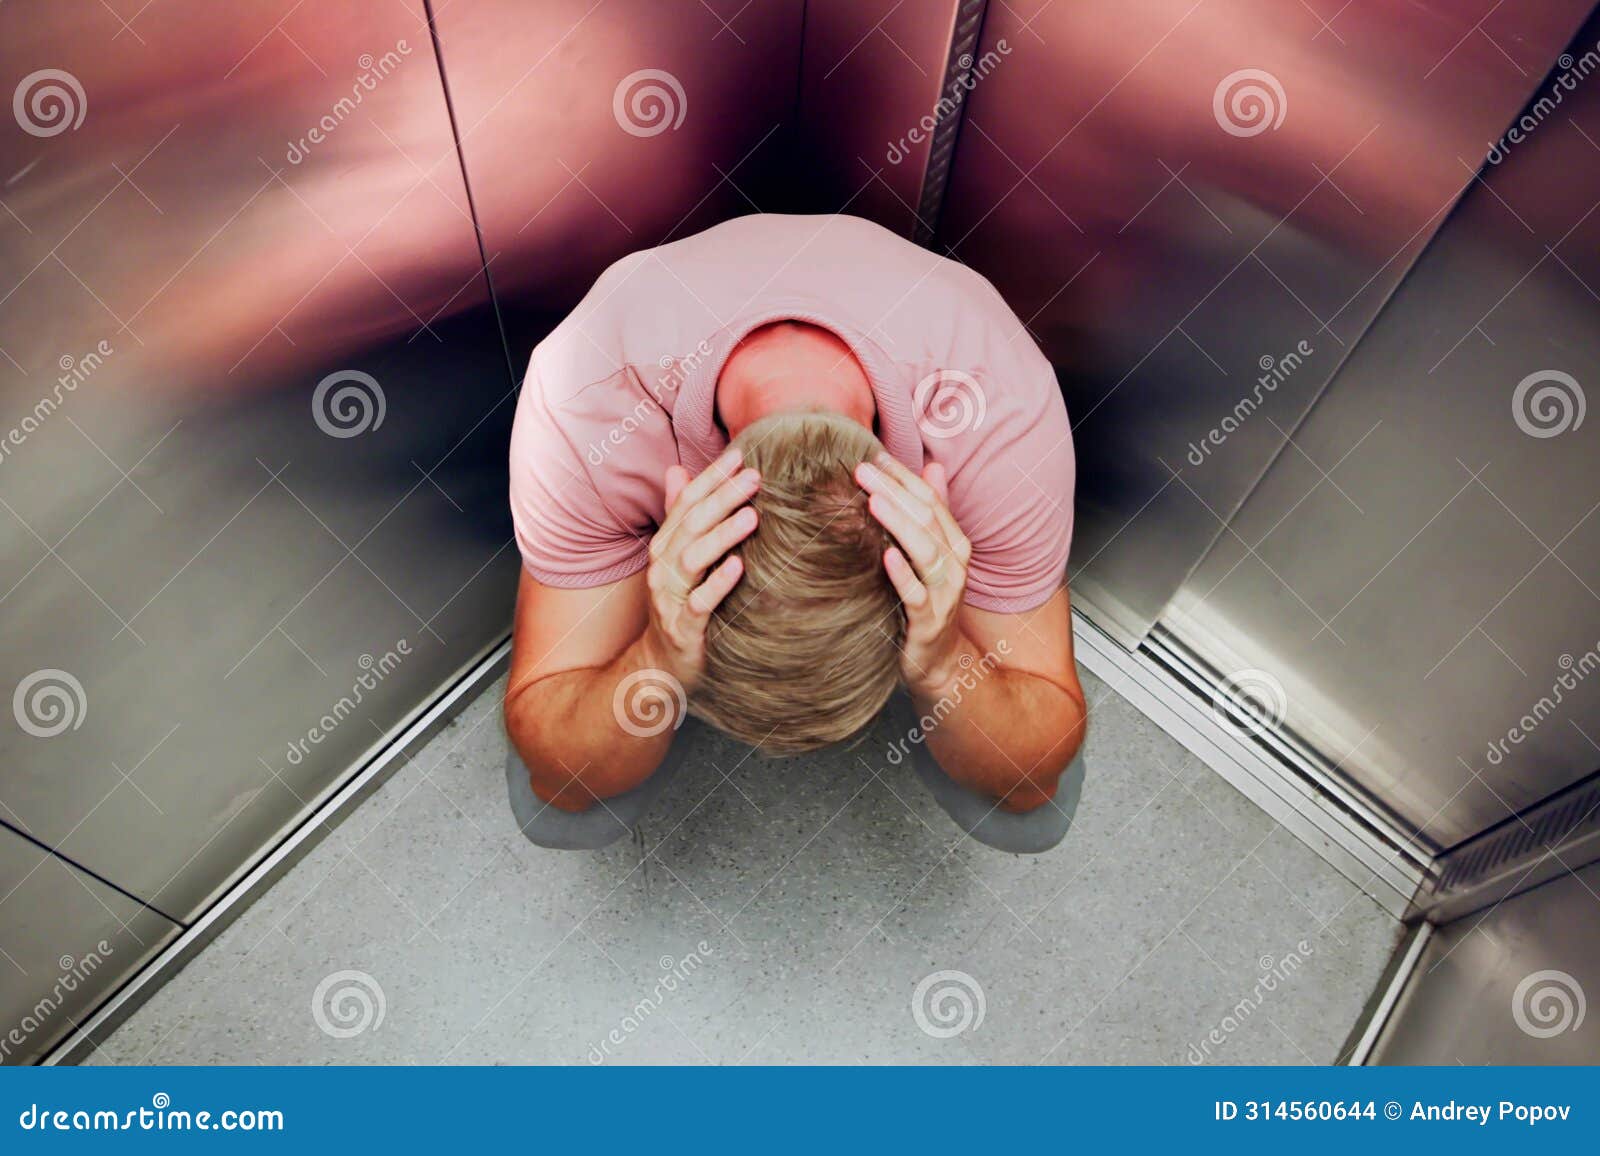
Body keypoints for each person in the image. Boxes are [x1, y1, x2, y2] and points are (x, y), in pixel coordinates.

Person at [502, 214, 1086, 853]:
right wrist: (658, 660)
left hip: (954, 374)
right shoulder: (586, 401)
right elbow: (561, 782)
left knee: (1025, 811)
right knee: (564, 808)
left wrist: (944, 665)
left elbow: (1030, 783)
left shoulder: (998, 413)